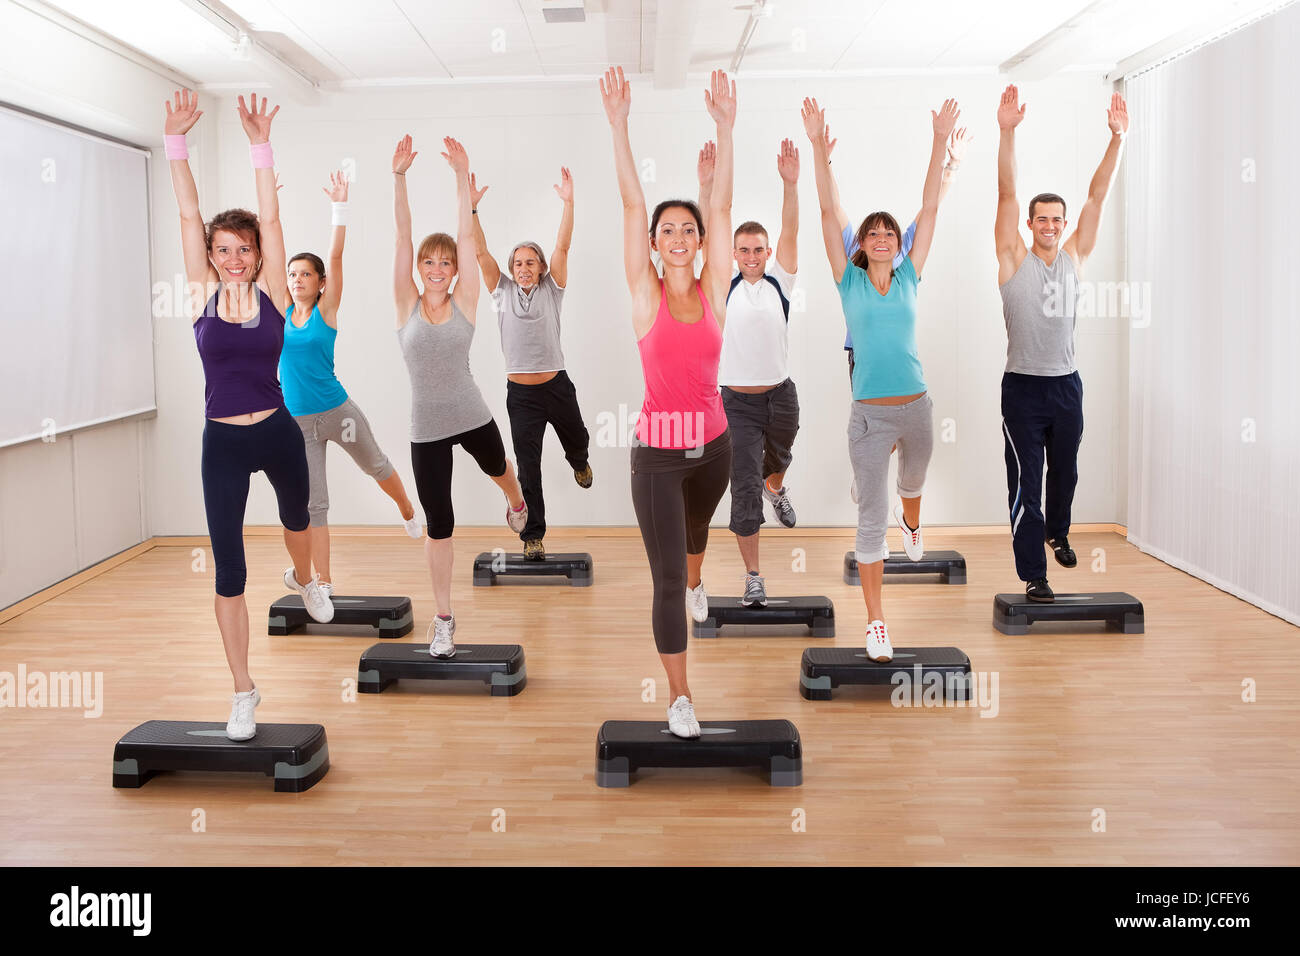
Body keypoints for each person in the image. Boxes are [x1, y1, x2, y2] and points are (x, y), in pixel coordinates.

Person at [164, 89, 331, 741]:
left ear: (259, 258)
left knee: (299, 518)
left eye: (245, 250)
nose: (234, 258)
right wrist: (175, 143)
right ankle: (243, 691)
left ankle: (306, 577)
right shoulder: (203, 295)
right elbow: (186, 214)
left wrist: (260, 143)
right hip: (223, 445)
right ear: (210, 257)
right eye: (223, 250)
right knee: (229, 569)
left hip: (278, 431)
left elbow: (270, 210)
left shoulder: (268, 294)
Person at [600, 66, 735, 738]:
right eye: (668, 231)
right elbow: (631, 204)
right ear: (655, 244)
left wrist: (725, 130)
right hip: (657, 455)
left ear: (701, 242)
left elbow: (725, 208)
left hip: (715, 448)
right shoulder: (646, 295)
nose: (680, 237)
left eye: (690, 229)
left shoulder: (714, 287)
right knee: (664, 580)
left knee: (696, 536)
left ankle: (697, 574)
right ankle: (680, 695)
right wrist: (620, 126)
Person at [804, 94, 960, 662]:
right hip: (869, 416)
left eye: (889, 233)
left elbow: (930, 206)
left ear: (900, 244)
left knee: (912, 483)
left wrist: (939, 140)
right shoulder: (848, 282)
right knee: (870, 522)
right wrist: (820, 148)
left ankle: (912, 523)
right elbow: (828, 213)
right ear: (862, 246)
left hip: (917, 407)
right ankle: (875, 623)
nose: (882, 238)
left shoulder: (912, 275)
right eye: (872, 234)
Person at [392, 134, 529, 657]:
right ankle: (444, 617)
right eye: (429, 262)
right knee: (439, 521)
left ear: (454, 271)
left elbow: (467, 240)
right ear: (419, 269)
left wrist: (461, 179)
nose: (435, 269)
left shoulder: (466, 300)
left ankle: (515, 501)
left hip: (470, 412)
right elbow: (402, 238)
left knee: (500, 469)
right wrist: (400, 178)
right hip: (425, 426)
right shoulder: (404, 303)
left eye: (444, 263)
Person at [995, 85, 1127, 602]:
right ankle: (1035, 574)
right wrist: (1006, 131)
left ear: (1064, 225)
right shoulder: (1012, 259)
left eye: (1057, 219)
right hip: (1023, 390)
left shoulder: (1075, 257)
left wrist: (1116, 140)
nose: (1049, 226)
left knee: (1066, 472)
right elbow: (1006, 192)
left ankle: (1059, 532)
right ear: (1029, 225)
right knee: (1028, 485)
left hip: (1067, 386)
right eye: (1041, 219)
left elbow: (1098, 197)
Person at [279, 170, 422, 595]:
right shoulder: (283, 312)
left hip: (337, 411)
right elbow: (273, 251)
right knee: (314, 505)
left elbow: (336, 257)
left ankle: (408, 509)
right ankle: (323, 584)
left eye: (305, 275)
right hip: (298, 423)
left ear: (320, 283)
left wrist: (339, 208)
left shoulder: (327, 310)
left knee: (374, 463)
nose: (297, 280)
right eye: (292, 275)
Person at [467, 166, 592, 561]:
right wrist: (472, 211)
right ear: (512, 267)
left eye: (531, 262)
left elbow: (563, 246)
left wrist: (569, 204)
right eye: (518, 262)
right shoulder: (500, 290)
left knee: (579, 438)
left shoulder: (553, 290)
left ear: (540, 267)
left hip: (557, 386)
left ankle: (580, 462)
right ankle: (533, 537)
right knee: (528, 466)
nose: (524, 268)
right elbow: (481, 253)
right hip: (521, 394)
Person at [697, 137, 801, 606]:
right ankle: (753, 575)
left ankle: (774, 486)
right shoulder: (724, 287)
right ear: (735, 254)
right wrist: (706, 186)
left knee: (776, 460)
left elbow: (792, 230)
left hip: (781, 397)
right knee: (742, 486)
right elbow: (706, 237)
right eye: (744, 249)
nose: (753, 255)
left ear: (768, 251)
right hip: (735, 403)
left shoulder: (781, 281)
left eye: (759, 248)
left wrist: (790, 184)